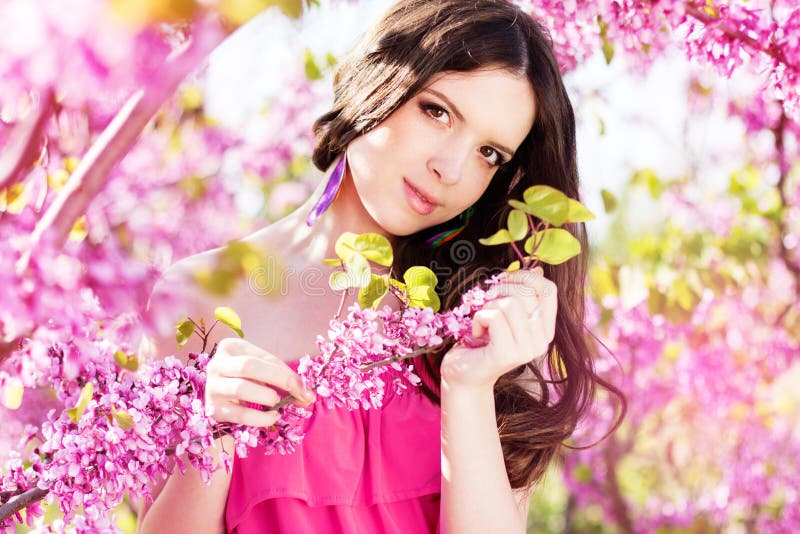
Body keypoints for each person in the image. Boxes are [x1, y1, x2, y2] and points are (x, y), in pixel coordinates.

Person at [138, 0, 621, 532]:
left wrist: (468, 386)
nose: (451, 168)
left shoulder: (488, 327)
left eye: (489, 153)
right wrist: (214, 437)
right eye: (437, 112)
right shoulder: (197, 300)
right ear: (378, 79)